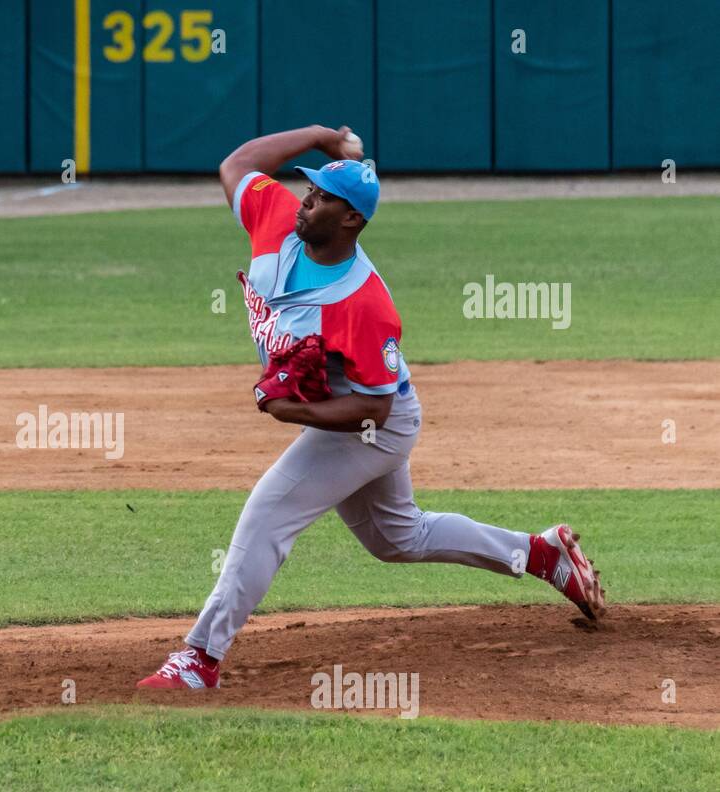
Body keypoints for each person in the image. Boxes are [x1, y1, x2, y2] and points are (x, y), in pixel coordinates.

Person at [137, 125, 605, 691]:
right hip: (355, 412)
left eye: (323, 198)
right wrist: (318, 138)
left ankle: (199, 659)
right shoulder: (277, 220)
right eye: (308, 192)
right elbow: (236, 164)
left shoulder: (364, 304)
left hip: (371, 425)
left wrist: (293, 412)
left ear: (352, 220)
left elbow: (375, 410)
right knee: (398, 538)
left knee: (268, 516)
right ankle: (539, 554)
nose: (306, 202)